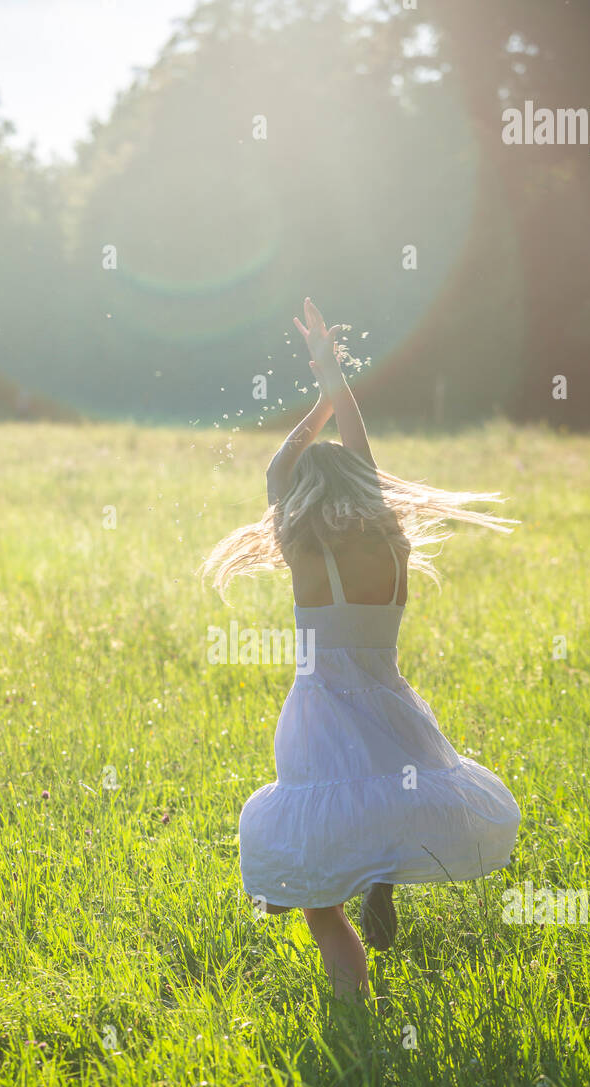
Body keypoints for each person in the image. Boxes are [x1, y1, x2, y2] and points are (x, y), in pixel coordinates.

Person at [202, 300, 521, 997]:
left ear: (300, 505)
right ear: (364, 490)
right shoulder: (393, 546)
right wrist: (335, 382)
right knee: (379, 803)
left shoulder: (306, 551)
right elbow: (362, 464)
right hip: (395, 709)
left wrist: (317, 397)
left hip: (320, 714)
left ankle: (351, 998)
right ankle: (376, 876)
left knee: (319, 881)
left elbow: (277, 468)